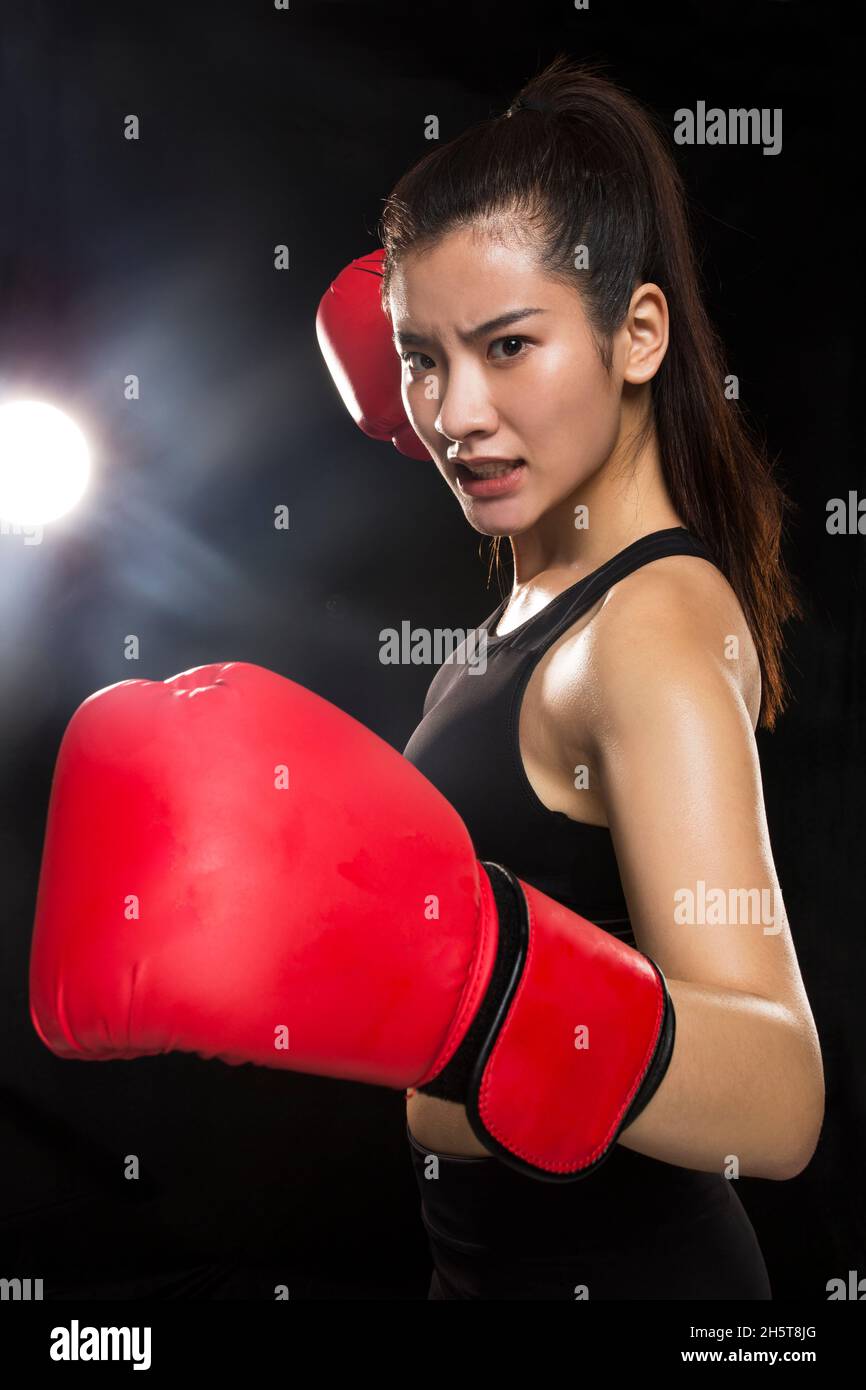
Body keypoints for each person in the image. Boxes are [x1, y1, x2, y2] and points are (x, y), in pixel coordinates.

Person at [370, 57, 823, 1298]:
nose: (453, 410)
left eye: (508, 345)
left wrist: (477, 992)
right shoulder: (533, 609)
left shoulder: (645, 629)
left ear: (635, 337)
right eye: (420, 357)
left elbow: (777, 1100)